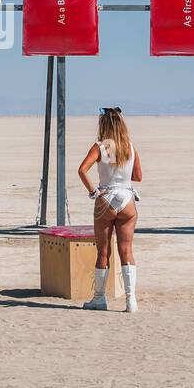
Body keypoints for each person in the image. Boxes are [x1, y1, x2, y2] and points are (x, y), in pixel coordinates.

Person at [76, 106, 142, 312]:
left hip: (105, 199)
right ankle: (131, 300)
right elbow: (138, 177)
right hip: (126, 199)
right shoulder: (129, 147)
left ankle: (99, 298)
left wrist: (94, 192)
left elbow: (82, 170)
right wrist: (122, 171)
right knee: (126, 250)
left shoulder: (100, 147)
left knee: (103, 252)